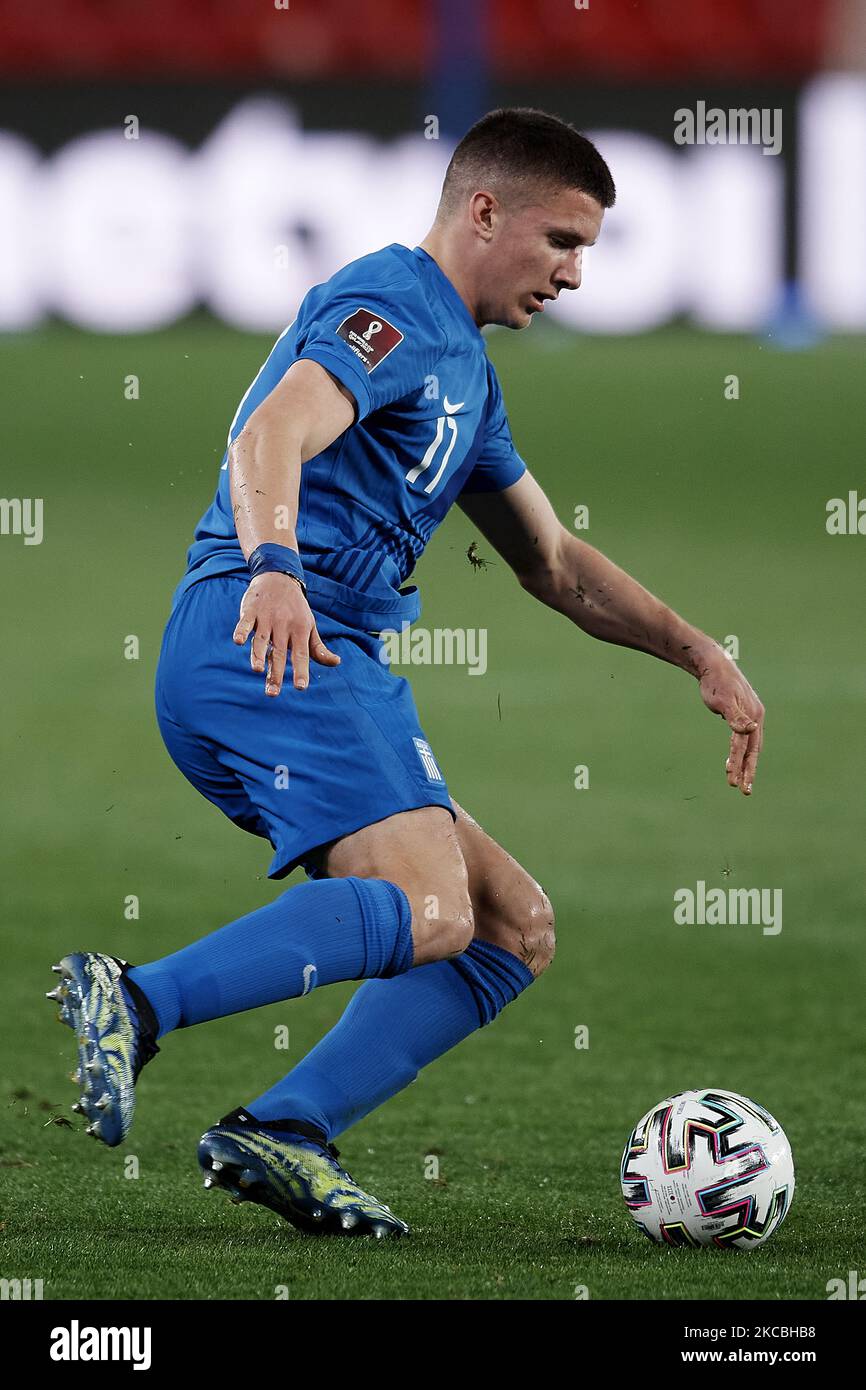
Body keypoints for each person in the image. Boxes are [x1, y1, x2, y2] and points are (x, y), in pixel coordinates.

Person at [47, 108, 763, 1239]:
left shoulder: (465, 372)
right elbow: (268, 435)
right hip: (274, 637)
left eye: (588, 250)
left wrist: (696, 650)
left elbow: (557, 563)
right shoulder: (386, 306)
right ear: (483, 211)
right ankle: (135, 999)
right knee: (432, 909)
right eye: (561, 241)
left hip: (321, 658)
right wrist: (273, 565)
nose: (576, 274)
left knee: (505, 925)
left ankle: (283, 1129)